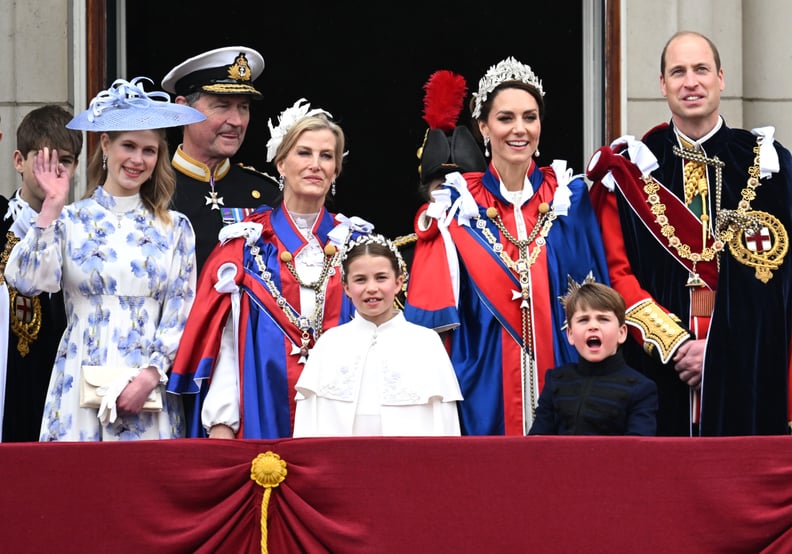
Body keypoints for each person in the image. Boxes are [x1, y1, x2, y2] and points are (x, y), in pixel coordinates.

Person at [586, 31, 792, 436]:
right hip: (657, 376)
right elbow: (616, 275)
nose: (690, 81)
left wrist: (717, 351)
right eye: (677, 72)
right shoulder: (632, 169)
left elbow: (784, 286)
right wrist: (677, 346)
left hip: (749, 376)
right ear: (663, 84)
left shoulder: (771, 167)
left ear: (721, 77)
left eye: (701, 69)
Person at [404, 57, 610, 436]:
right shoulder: (455, 205)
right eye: (506, 118)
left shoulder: (571, 196)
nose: (520, 129)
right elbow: (429, 329)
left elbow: (598, 300)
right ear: (483, 126)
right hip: (482, 388)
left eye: (530, 118)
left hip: (566, 383)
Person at [4, 77, 203, 441]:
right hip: (79, 381)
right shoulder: (69, 220)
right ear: (106, 146)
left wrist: (150, 375)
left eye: (149, 150)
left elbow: (182, 310)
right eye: (128, 146)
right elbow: (26, 280)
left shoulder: (175, 228)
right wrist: (50, 209)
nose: (137, 159)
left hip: (147, 387)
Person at [169, 99, 370, 439]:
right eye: (304, 153)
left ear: (336, 169)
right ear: (281, 162)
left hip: (344, 419)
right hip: (262, 414)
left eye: (326, 156)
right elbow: (228, 347)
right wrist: (222, 425)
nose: (315, 165)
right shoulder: (244, 246)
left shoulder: (356, 245)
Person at [293, 232, 463, 437]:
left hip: (410, 464)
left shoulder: (426, 343)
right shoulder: (328, 344)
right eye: (360, 280)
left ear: (399, 283)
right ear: (346, 287)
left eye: (381, 278)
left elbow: (446, 424)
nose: (371, 288)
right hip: (342, 465)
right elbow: (308, 424)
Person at [0, 105, 83, 442]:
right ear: (19, 161)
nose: (55, 170)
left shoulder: (82, 230)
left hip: (59, 378)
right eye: (44, 159)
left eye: (64, 161)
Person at [161, 46, 280, 274]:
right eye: (222, 106)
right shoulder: (149, 189)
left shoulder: (266, 194)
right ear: (182, 109)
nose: (236, 120)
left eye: (243, 108)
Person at [529, 278, 657, 435]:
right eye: (583, 320)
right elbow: (537, 443)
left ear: (621, 333)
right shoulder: (556, 380)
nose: (593, 326)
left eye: (603, 319)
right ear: (570, 334)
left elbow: (640, 450)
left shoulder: (640, 388)